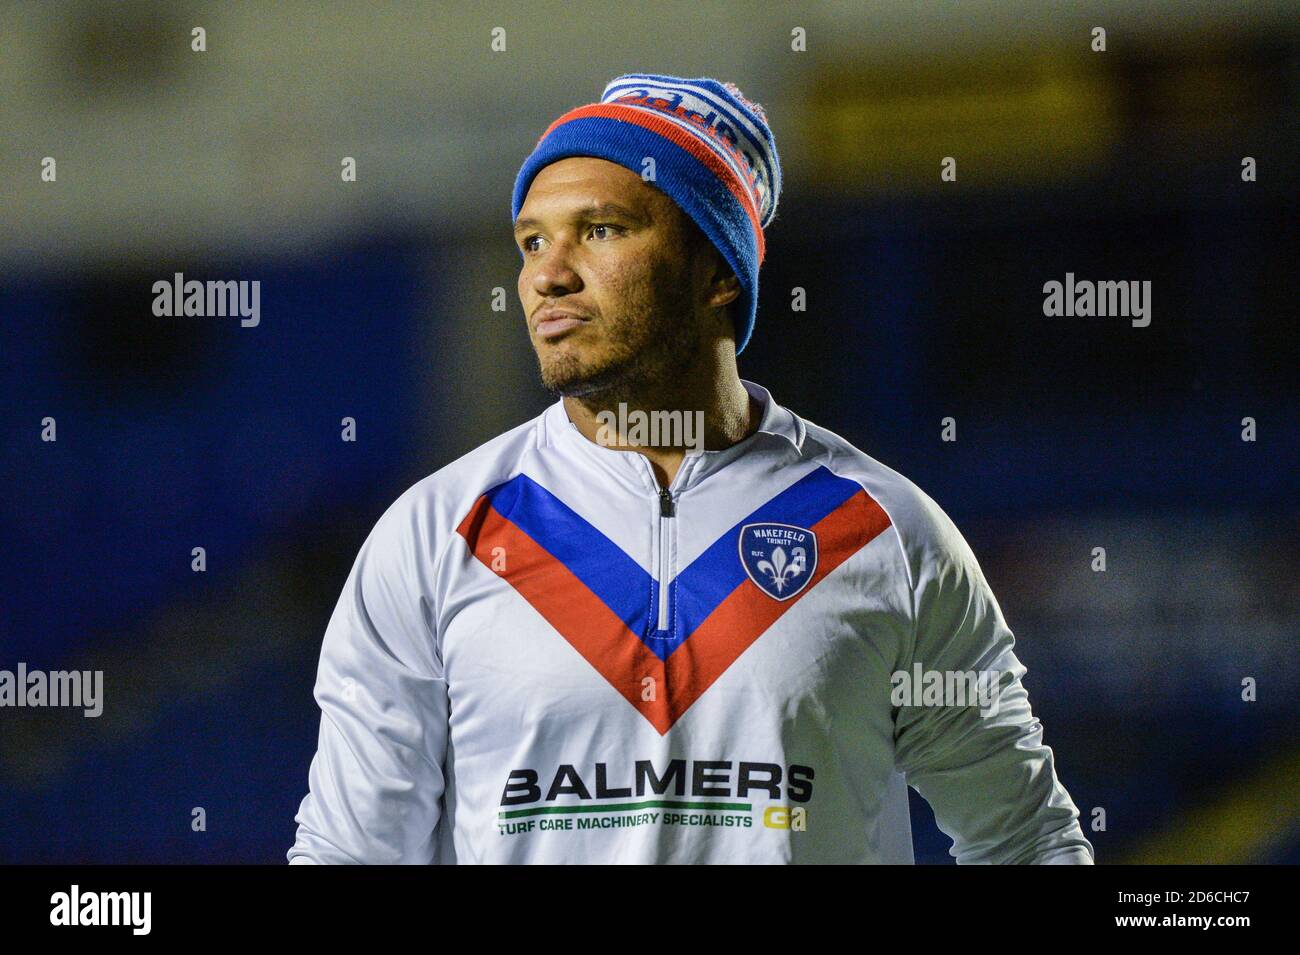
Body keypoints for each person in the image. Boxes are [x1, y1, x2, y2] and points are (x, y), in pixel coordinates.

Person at [288, 73, 1094, 864]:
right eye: (533, 240)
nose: (547, 274)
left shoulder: (886, 533)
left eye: (600, 230)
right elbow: (347, 853)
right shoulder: (437, 536)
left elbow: (1025, 841)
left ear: (718, 271)